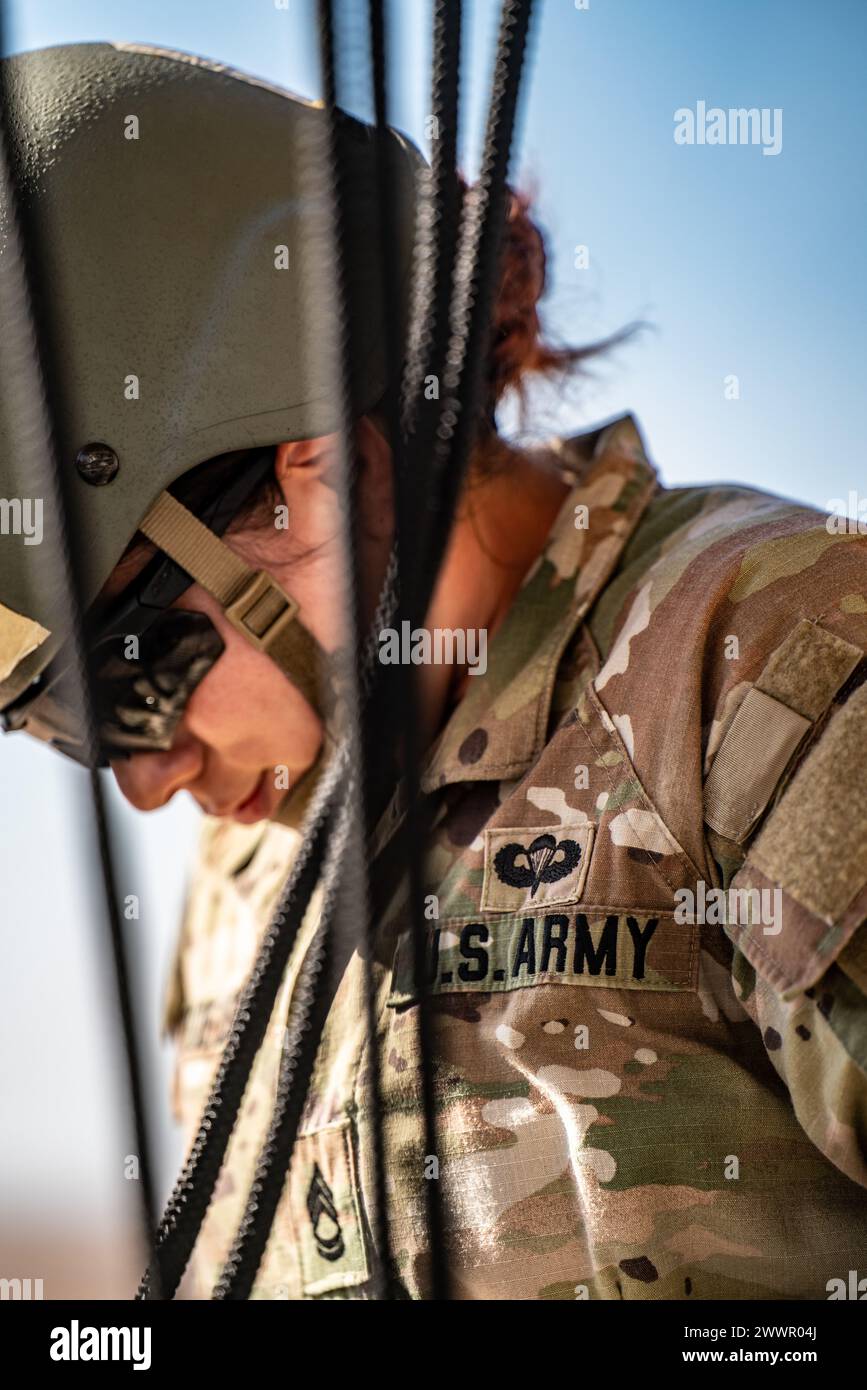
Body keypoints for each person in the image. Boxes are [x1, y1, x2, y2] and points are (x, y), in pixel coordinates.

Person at [2, 41, 866, 1303]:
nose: (143, 782)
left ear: (327, 479)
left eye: (121, 681)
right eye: (58, 729)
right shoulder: (252, 874)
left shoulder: (767, 669)